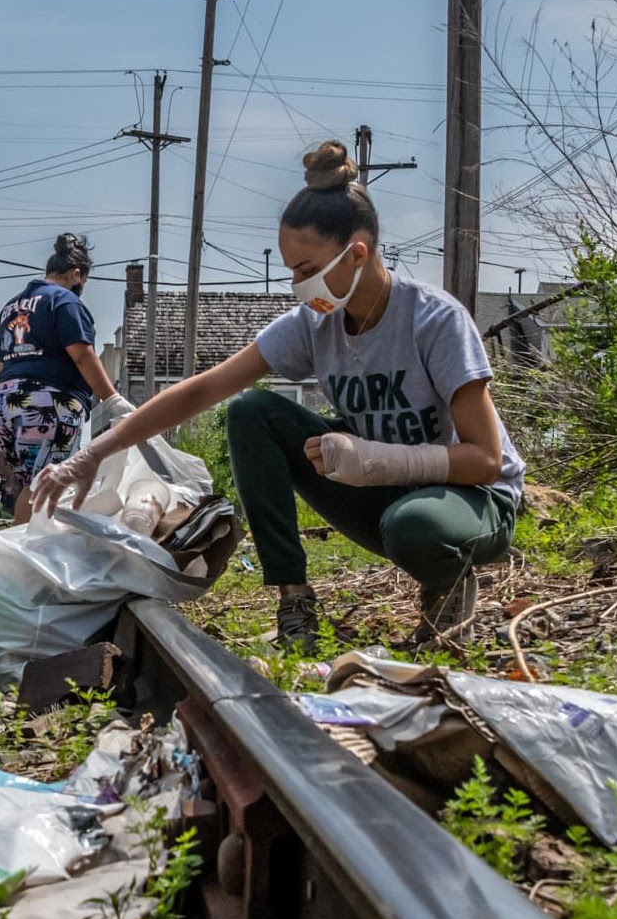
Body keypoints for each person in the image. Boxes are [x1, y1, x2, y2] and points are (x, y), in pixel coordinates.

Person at [33, 141, 525, 651]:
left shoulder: (435, 321)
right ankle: (293, 598)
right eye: (293, 269)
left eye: (306, 268)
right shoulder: (315, 323)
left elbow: (486, 460)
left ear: (357, 254)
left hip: (472, 500)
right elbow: (204, 389)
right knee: (252, 411)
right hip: (385, 491)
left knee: (416, 527)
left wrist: (378, 460)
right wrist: (94, 453)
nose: (296, 283)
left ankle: (448, 586)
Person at [0, 233, 129, 523]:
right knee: (44, 485)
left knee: (31, 482)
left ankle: (27, 551)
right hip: (47, 404)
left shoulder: (12, 306)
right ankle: (29, 556)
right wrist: (113, 400)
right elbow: (81, 354)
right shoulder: (64, 302)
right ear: (77, 274)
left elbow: (1, 364)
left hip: (6, 403)